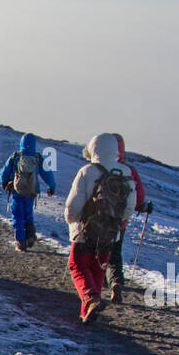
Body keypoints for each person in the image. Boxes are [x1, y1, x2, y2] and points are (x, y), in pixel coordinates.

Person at [64, 133, 137, 323]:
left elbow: (73, 205)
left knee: (78, 266)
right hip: (110, 233)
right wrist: (116, 223)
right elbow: (129, 207)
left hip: (85, 231)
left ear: (92, 148)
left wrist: (71, 220)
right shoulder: (125, 173)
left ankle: (90, 299)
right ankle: (86, 313)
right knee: (97, 269)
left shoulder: (87, 171)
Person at [106, 134, 152, 303]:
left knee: (98, 250)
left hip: (97, 219)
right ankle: (116, 282)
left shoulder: (98, 167)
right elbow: (139, 197)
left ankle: (96, 283)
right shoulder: (130, 171)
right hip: (120, 220)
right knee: (115, 253)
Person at [0, 133, 57, 251]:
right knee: (28, 215)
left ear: (21, 143)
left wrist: (4, 181)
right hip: (31, 192)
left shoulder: (15, 157)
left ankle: (21, 242)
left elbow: (4, 172)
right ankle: (30, 235)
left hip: (17, 192)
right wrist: (52, 186)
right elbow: (47, 174)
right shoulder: (37, 158)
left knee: (17, 216)